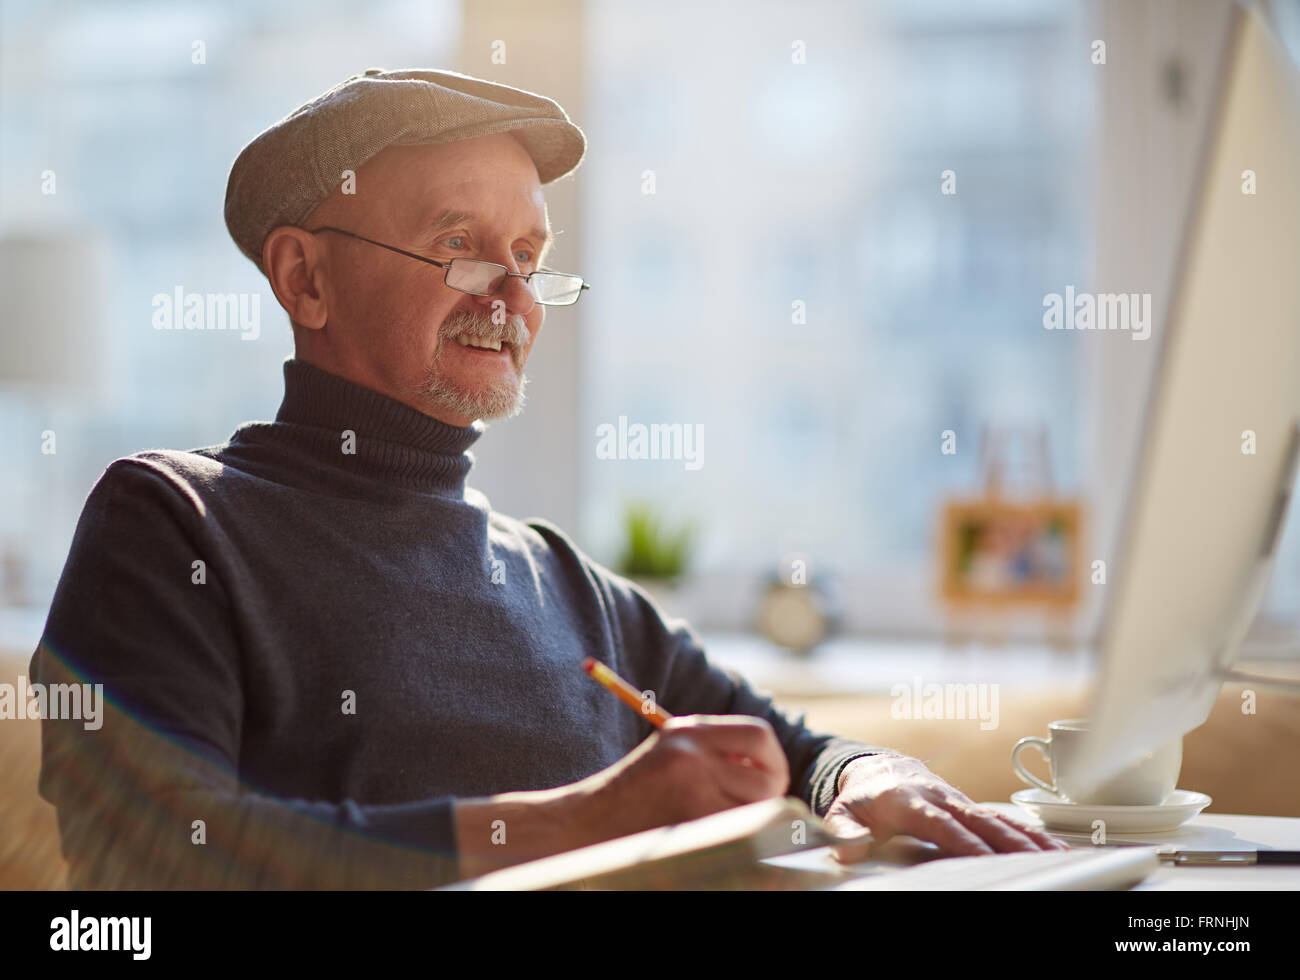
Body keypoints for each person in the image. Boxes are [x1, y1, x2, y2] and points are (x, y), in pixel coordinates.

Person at [30, 68, 1064, 889]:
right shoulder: (171, 523)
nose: (515, 299)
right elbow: (152, 862)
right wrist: (591, 819)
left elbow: (796, 748)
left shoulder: (564, 583)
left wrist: (870, 774)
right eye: (460, 245)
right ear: (306, 278)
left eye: (529, 255)